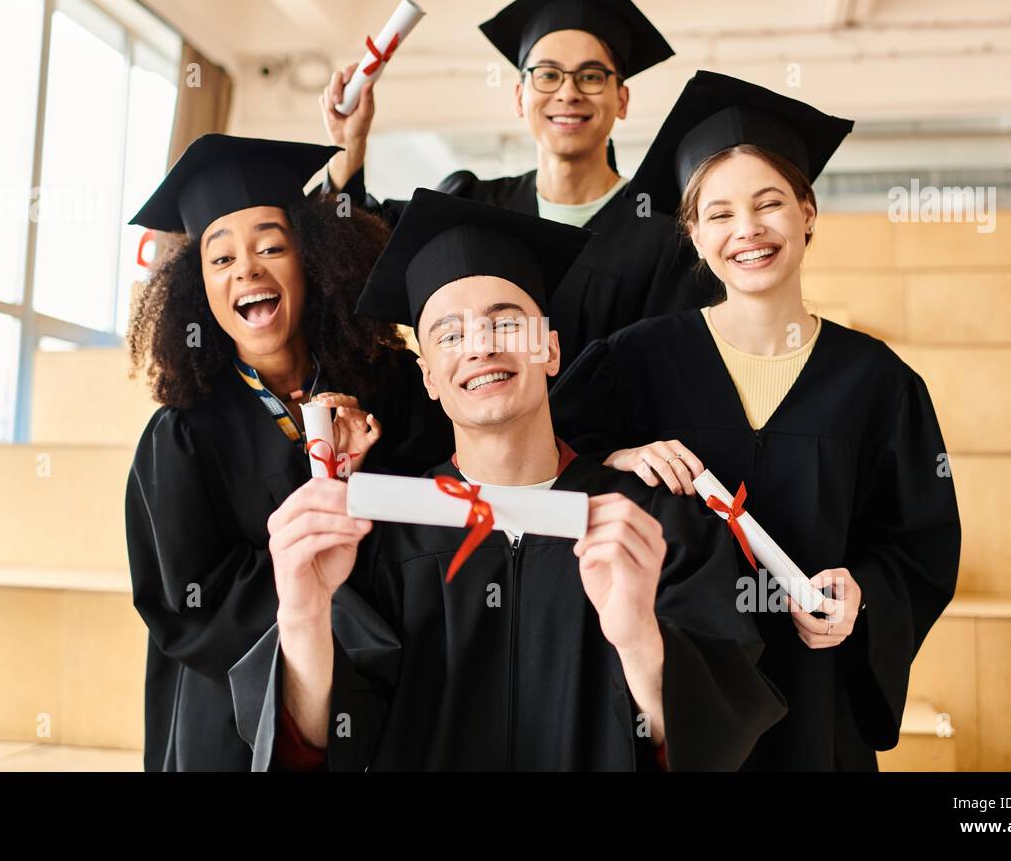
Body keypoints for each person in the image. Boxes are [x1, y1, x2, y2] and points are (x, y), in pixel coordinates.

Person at [227, 188, 786, 771]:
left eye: (506, 323)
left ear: (549, 349)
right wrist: (302, 613)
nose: (480, 347)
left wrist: (639, 638)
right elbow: (321, 745)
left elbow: (716, 748)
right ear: (429, 379)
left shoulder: (654, 524)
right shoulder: (383, 537)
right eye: (448, 335)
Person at [550, 72, 961, 770]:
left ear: (807, 212)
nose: (747, 231)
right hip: (672, 709)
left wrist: (862, 596)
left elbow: (918, 546)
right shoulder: (633, 364)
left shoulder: (878, 383)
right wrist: (613, 464)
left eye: (770, 204)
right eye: (719, 213)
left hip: (819, 712)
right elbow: (547, 480)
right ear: (693, 233)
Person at [124, 134, 451, 771]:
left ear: (315, 256)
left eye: (271, 246)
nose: (247, 270)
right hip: (240, 715)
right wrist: (309, 573)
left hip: (397, 690)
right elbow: (189, 601)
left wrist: (370, 481)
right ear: (200, 290)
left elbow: (440, 524)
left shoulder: (393, 386)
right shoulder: (183, 435)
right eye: (220, 260)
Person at [318, 0, 720, 366]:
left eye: (592, 76)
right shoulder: (471, 207)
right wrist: (350, 146)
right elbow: (354, 248)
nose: (568, 93)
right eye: (547, 74)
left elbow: (677, 365)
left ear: (622, 99)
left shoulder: (662, 233)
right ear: (519, 97)